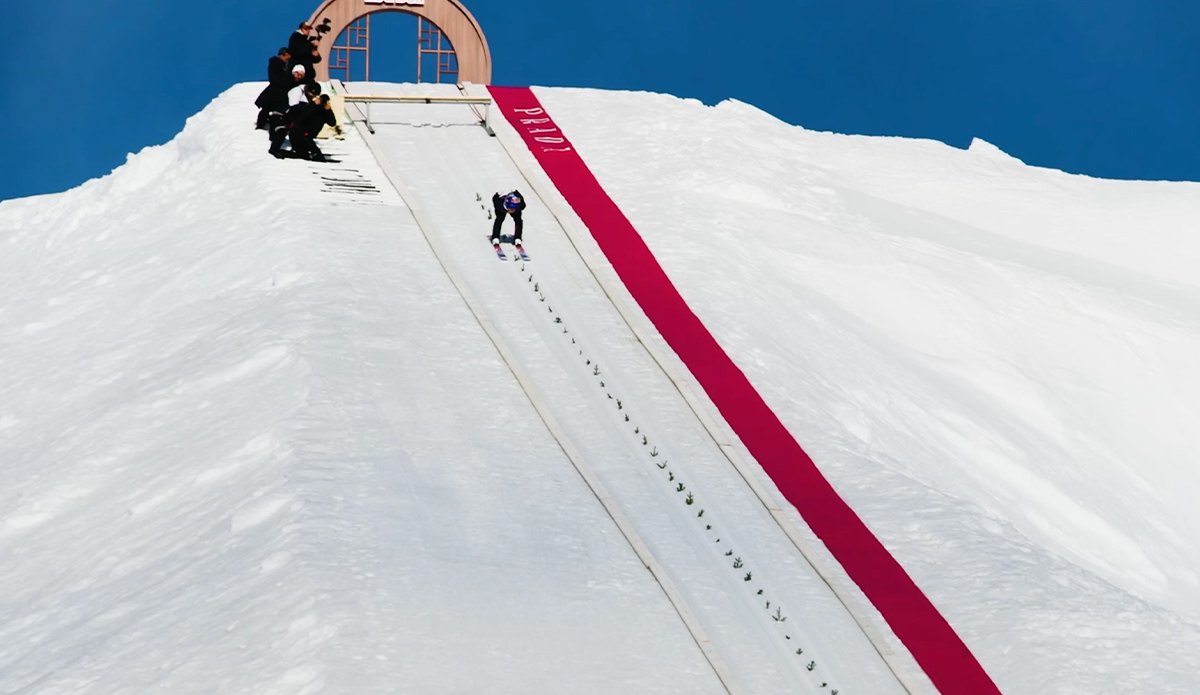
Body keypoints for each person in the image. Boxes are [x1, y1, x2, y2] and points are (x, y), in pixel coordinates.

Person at [266, 65, 307, 157]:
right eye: (298, 74)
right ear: (293, 73)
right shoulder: (286, 82)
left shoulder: (300, 87)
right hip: (280, 111)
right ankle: (274, 149)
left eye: (301, 75)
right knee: (281, 130)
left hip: (286, 112)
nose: (299, 76)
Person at [287, 89, 338, 162]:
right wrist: (313, 104)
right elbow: (303, 116)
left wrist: (329, 110)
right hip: (298, 133)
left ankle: (307, 154)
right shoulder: (311, 107)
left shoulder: (324, 112)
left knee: (304, 153)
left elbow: (332, 123)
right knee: (307, 146)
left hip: (308, 134)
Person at [255, 47, 292, 129]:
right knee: (266, 108)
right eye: (285, 55)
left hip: (280, 92)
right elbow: (274, 78)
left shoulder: (286, 66)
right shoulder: (275, 64)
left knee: (278, 110)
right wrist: (284, 84)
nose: (287, 58)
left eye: (288, 56)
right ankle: (260, 125)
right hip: (274, 92)